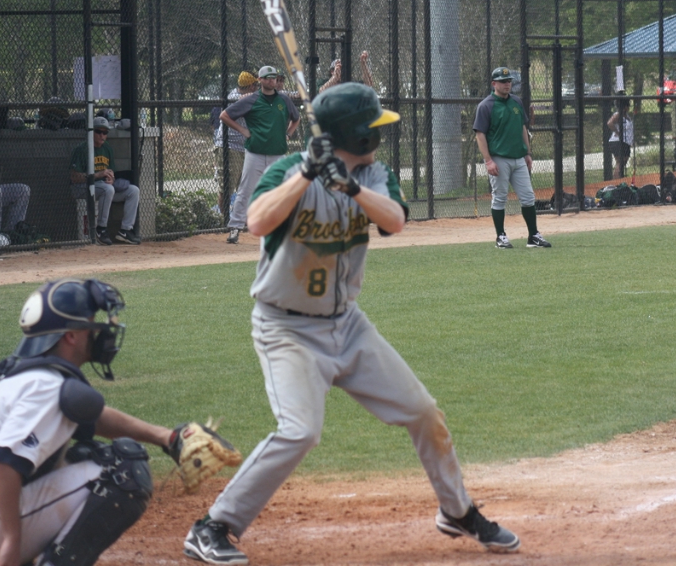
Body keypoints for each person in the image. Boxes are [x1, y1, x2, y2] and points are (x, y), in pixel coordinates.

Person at [181, 83, 521, 565]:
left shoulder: (374, 174)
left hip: (348, 325)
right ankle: (214, 526)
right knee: (300, 431)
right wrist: (305, 174)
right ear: (355, 135)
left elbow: (395, 221)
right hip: (287, 329)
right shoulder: (286, 169)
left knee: (424, 411)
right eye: (373, 129)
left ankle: (457, 510)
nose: (380, 136)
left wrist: (350, 186)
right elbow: (257, 221)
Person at [0, 278, 176, 566]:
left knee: (84, 455)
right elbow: (3, 464)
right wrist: (12, 542)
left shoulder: (29, 377)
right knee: (124, 469)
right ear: (71, 335)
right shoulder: (44, 387)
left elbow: (93, 419)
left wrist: (166, 437)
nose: (98, 332)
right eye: (91, 323)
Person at [473, 66, 551, 249]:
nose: (507, 84)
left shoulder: (516, 102)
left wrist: (527, 153)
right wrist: (488, 160)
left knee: (528, 197)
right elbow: (480, 134)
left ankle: (533, 236)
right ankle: (501, 237)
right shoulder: (486, 106)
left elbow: (522, 128)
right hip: (499, 158)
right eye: (502, 81)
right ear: (494, 84)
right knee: (500, 197)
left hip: (518, 158)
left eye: (508, 81)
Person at [222, 65, 300, 244]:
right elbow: (225, 116)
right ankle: (235, 228)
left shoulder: (284, 100)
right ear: (260, 81)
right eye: (268, 78)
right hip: (255, 153)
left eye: (274, 77)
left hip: (277, 154)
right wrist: (243, 130)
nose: (272, 80)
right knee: (245, 190)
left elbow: (296, 119)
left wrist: (288, 134)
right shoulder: (252, 99)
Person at [69, 117, 141, 245]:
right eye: (99, 132)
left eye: (105, 132)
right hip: (82, 188)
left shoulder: (107, 148)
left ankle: (125, 231)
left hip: (104, 189)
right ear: (91, 132)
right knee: (107, 189)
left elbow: (111, 171)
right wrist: (97, 175)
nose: (102, 135)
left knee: (133, 191)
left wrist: (111, 178)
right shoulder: (82, 149)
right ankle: (101, 229)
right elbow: (74, 178)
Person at [213, 71, 259, 211]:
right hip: (229, 147)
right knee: (227, 187)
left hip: (244, 148)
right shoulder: (234, 97)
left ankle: (241, 220)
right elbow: (243, 99)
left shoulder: (249, 96)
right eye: (256, 85)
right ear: (251, 86)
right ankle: (224, 221)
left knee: (245, 188)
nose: (258, 88)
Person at [606, 97, 633, 179]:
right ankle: (616, 182)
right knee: (620, 163)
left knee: (621, 162)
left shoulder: (626, 116)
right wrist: (618, 132)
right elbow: (609, 123)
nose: (628, 108)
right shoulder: (618, 114)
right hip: (618, 141)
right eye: (627, 106)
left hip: (625, 142)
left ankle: (618, 180)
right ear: (624, 107)